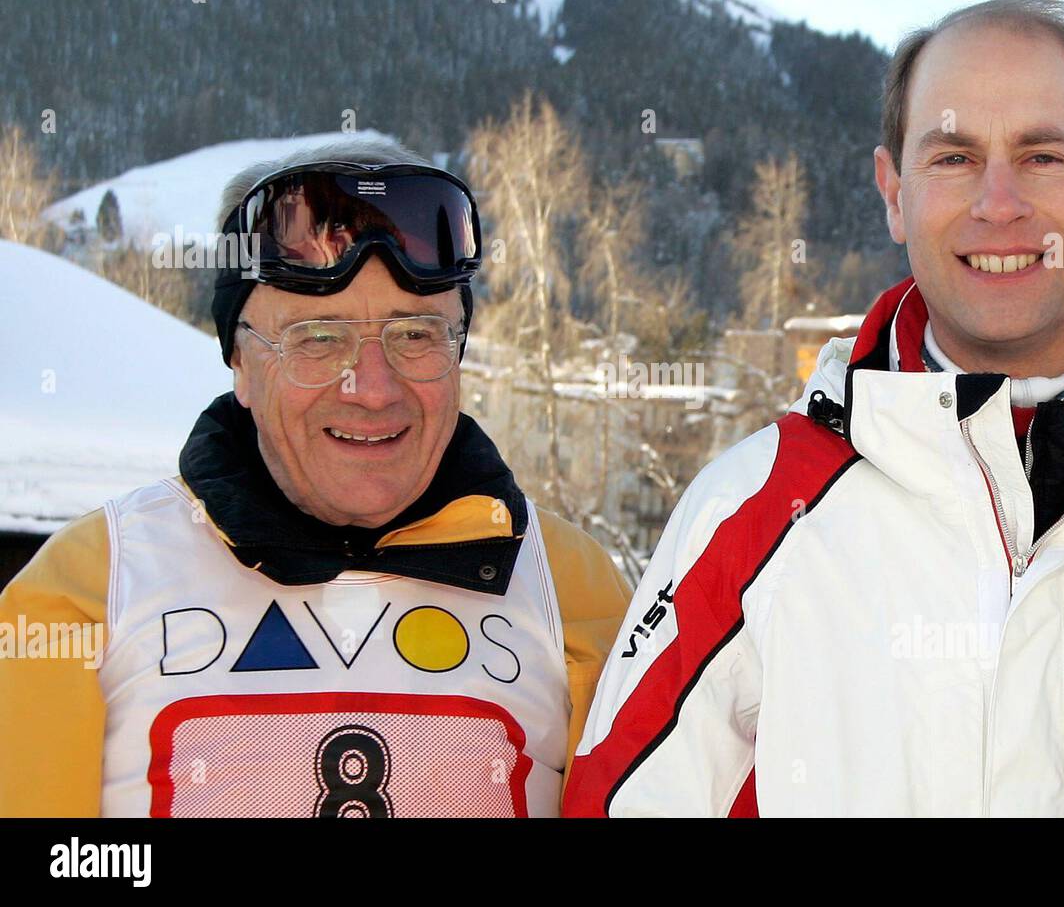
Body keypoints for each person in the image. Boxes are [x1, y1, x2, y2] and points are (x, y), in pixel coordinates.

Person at [563, 0, 1064, 817]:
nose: (998, 203)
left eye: (1043, 155)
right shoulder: (749, 516)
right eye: (952, 157)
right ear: (892, 192)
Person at [0, 138, 630, 817]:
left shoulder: (571, 589)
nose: (372, 389)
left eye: (416, 335)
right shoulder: (90, 589)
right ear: (240, 362)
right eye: (318, 339)